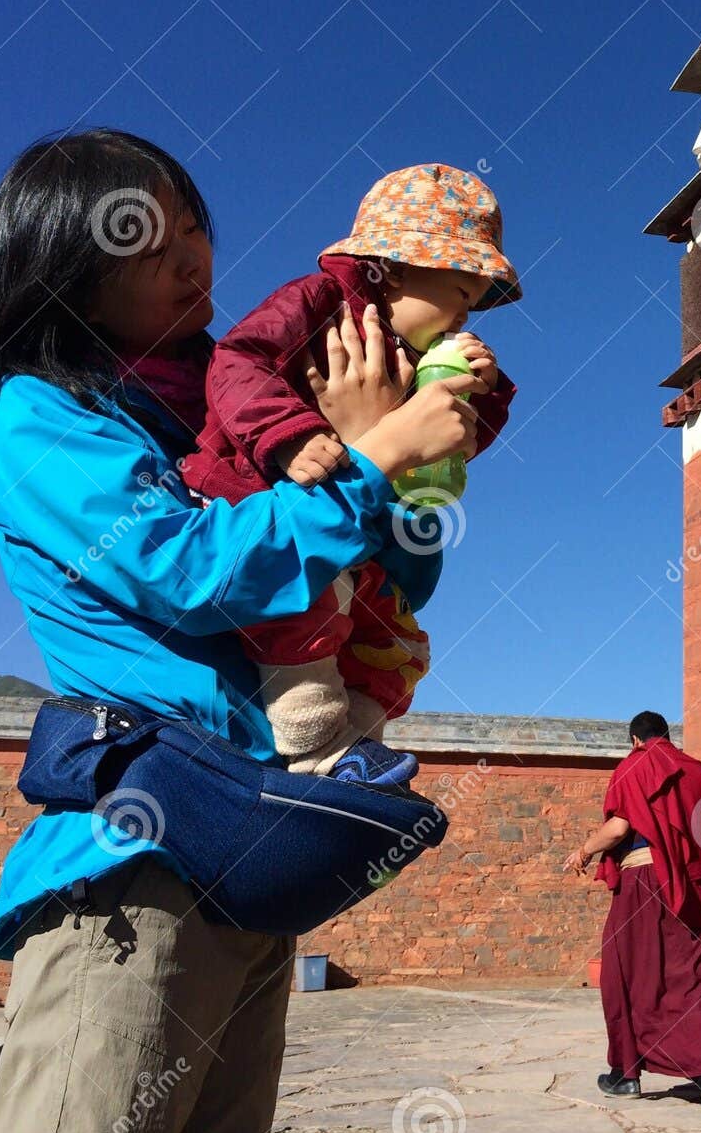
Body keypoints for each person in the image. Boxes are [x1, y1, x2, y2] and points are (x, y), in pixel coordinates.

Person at [0, 129, 479, 1133]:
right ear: (63, 259)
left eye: (195, 224)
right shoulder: (32, 417)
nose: (192, 255)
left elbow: (403, 576)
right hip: (140, 860)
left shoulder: (225, 398)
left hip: (254, 864)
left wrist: (393, 459)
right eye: (143, 236)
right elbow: (191, 569)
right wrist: (369, 459)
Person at [182, 163, 519, 785]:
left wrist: (481, 393)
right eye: (461, 295)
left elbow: (452, 442)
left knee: (397, 637)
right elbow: (237, 360)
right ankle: (315, 748)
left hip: (352, 528)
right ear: (393, 267)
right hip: (261, 503)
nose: (464, 320)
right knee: (305, 613)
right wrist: (290, 434)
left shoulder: (415, 355)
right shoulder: (316, 303)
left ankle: (360, 742)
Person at [565, 711, 701, 1114]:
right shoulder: (697, 771)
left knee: (625, 974)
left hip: (642, 886)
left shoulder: (633, 766)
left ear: (635, 740)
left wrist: (583, 850)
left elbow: (619, 829)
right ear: (667, 736)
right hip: (693, 889)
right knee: (698, 977)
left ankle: (626, 1075)